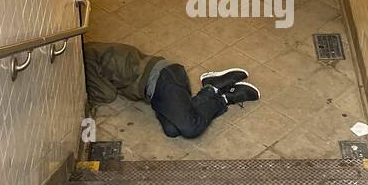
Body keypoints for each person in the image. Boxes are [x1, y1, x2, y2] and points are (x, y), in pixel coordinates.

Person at [83, 41, 259, 139]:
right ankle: (217, 91)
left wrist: (84, 95)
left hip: (164, 78)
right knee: (172, 130)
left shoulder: (86, 57)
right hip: (155, 91)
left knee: (191, 127)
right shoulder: (91, 51)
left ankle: (217, 92)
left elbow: (106, 94)